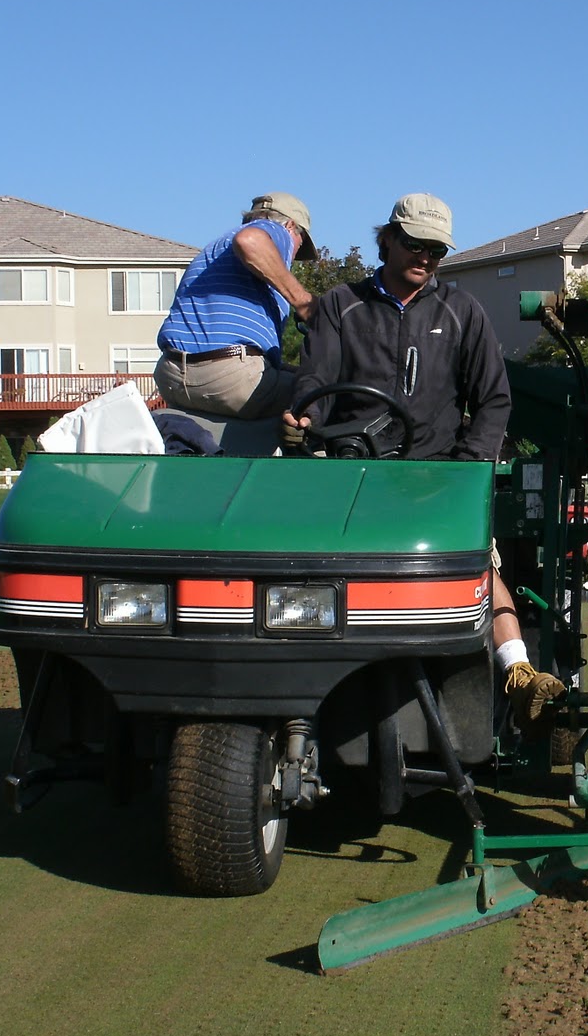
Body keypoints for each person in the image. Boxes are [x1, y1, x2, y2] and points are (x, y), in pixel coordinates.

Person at [286, 192, 564, 734]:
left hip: (438, 474)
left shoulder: (461, 313)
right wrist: (304, 417)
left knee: (479, 563)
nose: (426, 257)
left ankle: (520, 670)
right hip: (354, 474)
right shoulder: (341, 306)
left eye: (436, 249)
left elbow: (493, 401)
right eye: (415, 244)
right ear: (387, 239)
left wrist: (466, 468)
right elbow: (314, 382)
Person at [154, 192, 319, 420]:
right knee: (326, 398)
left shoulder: (215, 250)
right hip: (227, 378)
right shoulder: (274, 230)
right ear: (291, 225)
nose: (294, 254)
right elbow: (250, 241)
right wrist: (305, 303)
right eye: (300, 245)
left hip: (171, 377)